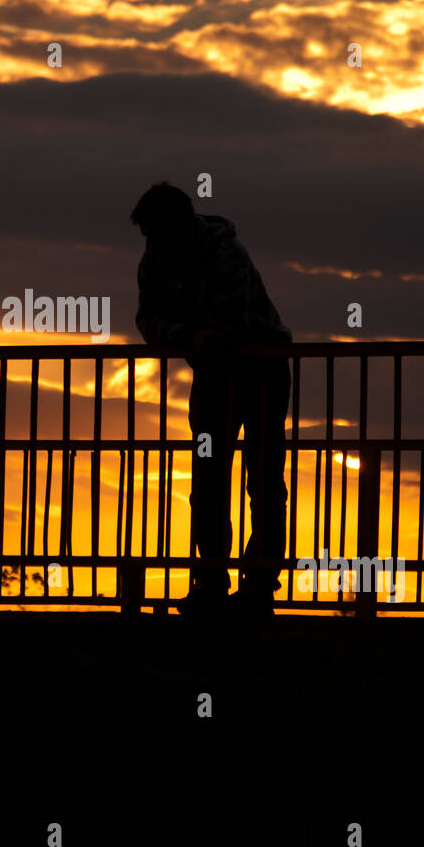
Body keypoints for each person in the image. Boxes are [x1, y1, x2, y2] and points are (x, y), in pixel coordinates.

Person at [130, 183, 292, 618]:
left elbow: (231, 326)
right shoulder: (156, 260)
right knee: (208, 479)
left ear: (177, 225)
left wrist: (193, 334)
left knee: (261, 479)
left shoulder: (226, 256)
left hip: (262, 373)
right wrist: (189, 336)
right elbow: (148, 320)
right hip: (215, 377)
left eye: (153, 233)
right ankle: (212, 581)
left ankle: (258, 586)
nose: (149, 243)